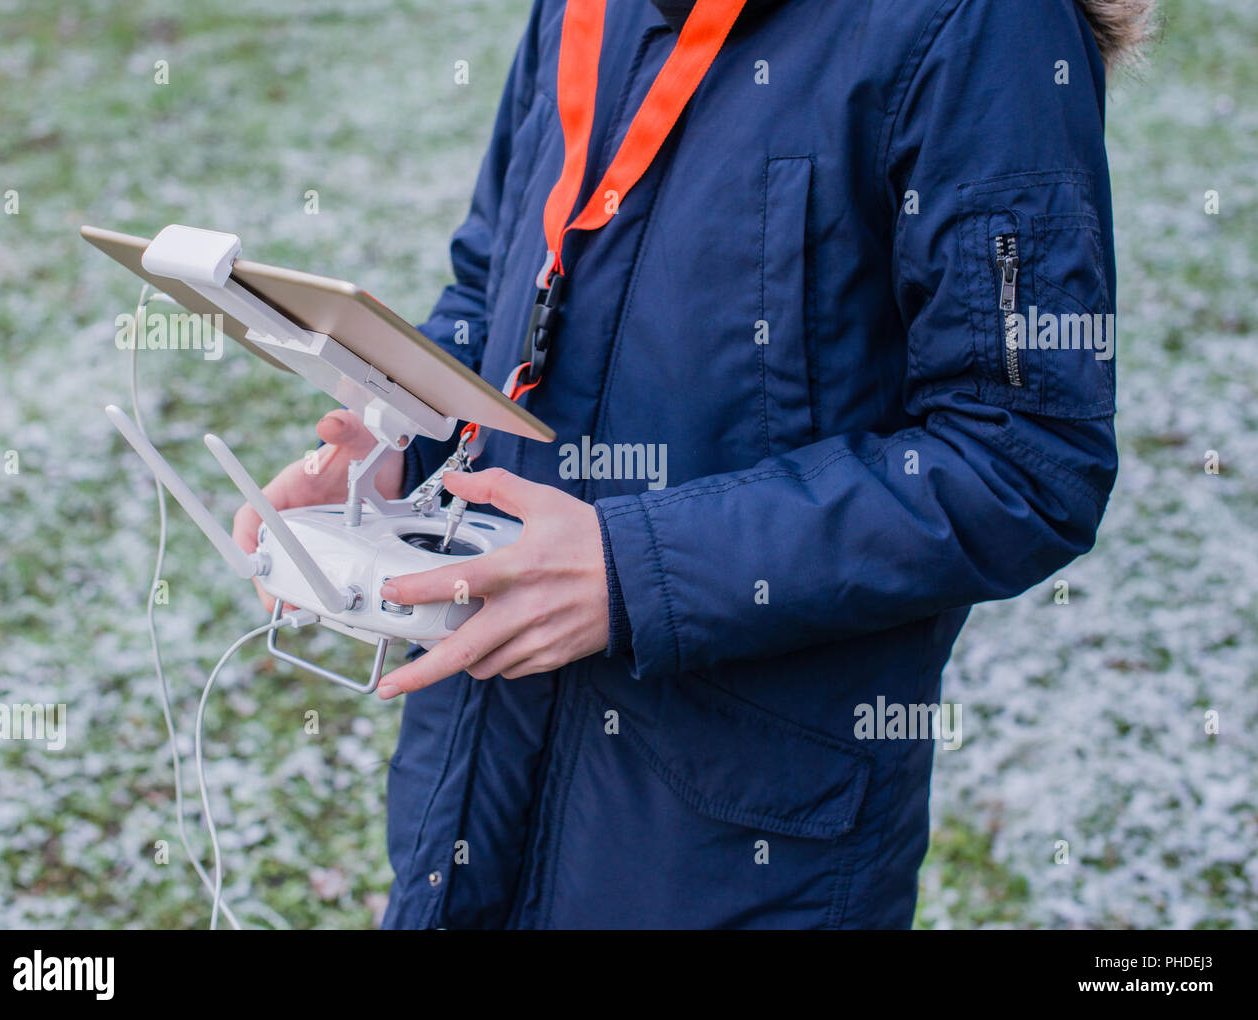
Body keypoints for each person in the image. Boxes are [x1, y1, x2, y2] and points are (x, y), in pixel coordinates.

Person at [233, 0, 1152, 928]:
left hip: (737, 841)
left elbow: (1024, 458)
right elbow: (492, 278)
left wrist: (635, 572)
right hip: (473, 773)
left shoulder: (988, 26)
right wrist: (394, 441)